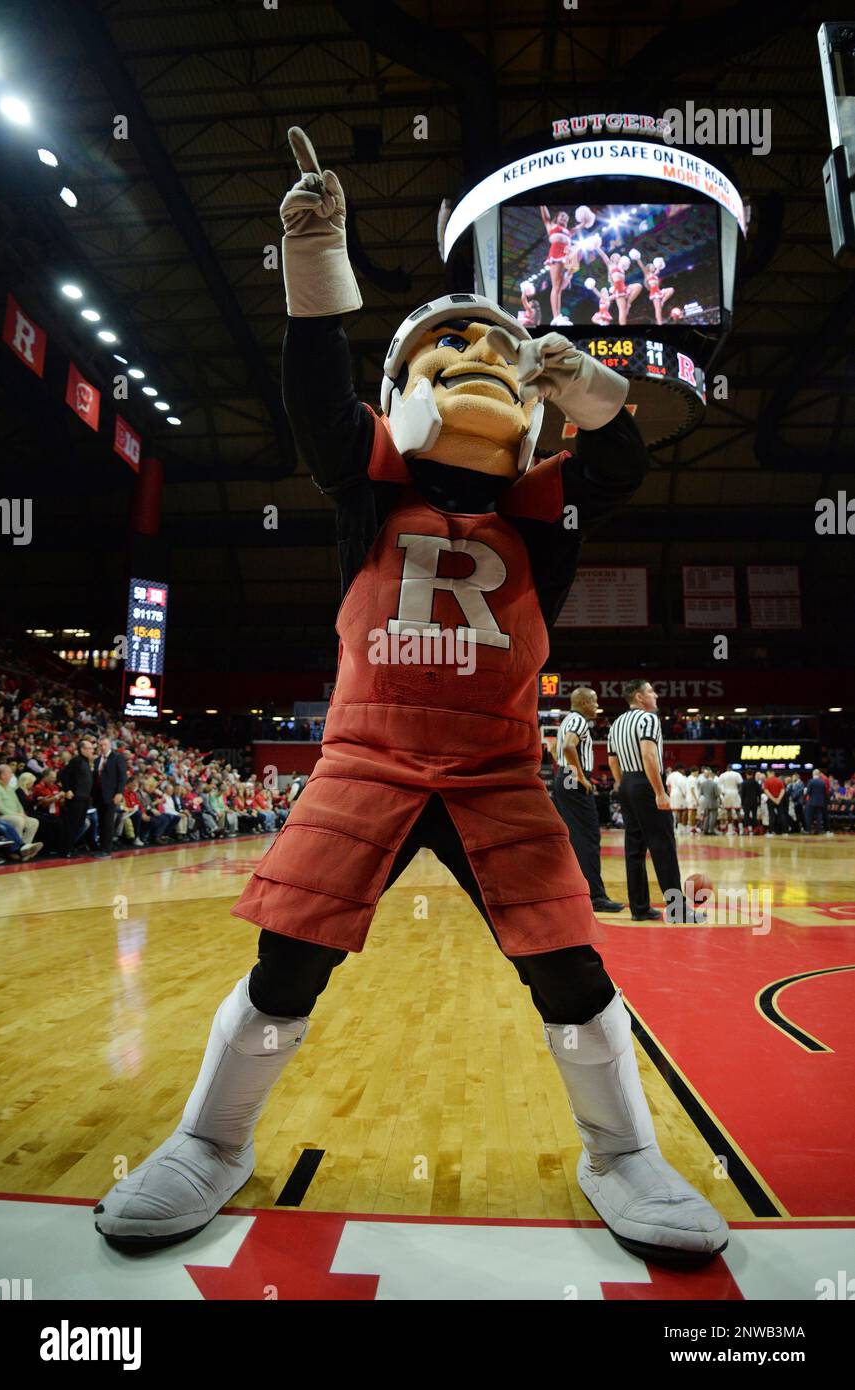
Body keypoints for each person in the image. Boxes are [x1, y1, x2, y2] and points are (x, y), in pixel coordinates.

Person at [95, 126, 726, 1268]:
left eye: (496, 351)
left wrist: (581, 379)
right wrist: (316, 258)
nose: (477, 359)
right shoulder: (365, 475)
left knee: (569, 970)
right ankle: (209, 1138)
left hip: (494, 768)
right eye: (449, 349)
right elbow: (315, 398)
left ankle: (621, 1153)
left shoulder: (545, 500)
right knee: (289, 958)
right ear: (401, 386)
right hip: (369, 759)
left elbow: (623, 461)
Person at [607, 683, 703, 923]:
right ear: (639, 697)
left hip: (627, 782)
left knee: (634, 849)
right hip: (645, 782)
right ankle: (677, 909)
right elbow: (649, 754)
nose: (656, 695)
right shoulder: (648, 719)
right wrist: (659, 791)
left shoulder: (616, 724)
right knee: (663, 846)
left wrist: (622, 785)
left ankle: (639, 908)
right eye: (651, 691)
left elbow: (612, 760)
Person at [553, 686, 623, 912]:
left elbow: (554, 749)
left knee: (576, 838)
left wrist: (566, 772)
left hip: (564, 778)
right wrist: (580, 776)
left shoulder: (566, 721)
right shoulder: (579, 721)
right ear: (583, 703)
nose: (597, 706)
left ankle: (578, 892)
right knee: (589, 838)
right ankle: (595, 897)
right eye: (594, 702)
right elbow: (567, 746)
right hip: (573, 778)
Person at [0, 763, 42, 852]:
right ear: (3, 775)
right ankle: (15, 850)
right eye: (10, 773)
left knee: (33, 822)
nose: (12, 775)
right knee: (18, 820)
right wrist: (16, 814)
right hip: (1, 816)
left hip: (15, 814)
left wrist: (22, 813)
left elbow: (17, 803)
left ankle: (26, 849)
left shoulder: (8, 786)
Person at [92, 736, 127, 856]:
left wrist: (119, 792)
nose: (102, 747)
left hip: (112, 795)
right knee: (101, 822)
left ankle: (106, 849)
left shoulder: (117, 758)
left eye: (104, 745)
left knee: (108, 823)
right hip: (99, 796)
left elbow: (122, 777)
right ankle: (102, 846)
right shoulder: (97, 760)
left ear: (110, 745)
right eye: (100, 745)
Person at [59, 738, 94, 855]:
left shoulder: (86, 762)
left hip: (84, 798)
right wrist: (67, 789)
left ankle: (71, 848)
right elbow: (62, 774)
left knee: (79, 824)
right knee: (72, 825)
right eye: (90, 748)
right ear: (82, 749)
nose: (92, 751)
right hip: (76, 798)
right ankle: (65, 850)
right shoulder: (76, 761)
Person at [717, 764, 743, 834]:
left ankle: (730, 830)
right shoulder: (737, 774)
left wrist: (722, 793)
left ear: (727, 768)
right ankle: (741, 830)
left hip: (727, 793)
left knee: (728, 811)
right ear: (732, 768)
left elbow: (719, 786)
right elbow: (741, 785)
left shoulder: (723, 775)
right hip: (735, 792)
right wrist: (738, 792)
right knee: (738, 811)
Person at [762, 768, 787, 836]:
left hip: (771, 800)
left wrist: (773, 799)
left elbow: (766, 791)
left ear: (771, 773)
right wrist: (778, 799)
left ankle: (771, 832)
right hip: (779, 800)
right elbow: (783, 790)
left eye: (767, 774)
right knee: (781, 815)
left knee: (771, 815)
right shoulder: (779, 780)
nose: (767, 775)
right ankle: (784, 831)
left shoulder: (767, 781)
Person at [805, 769, 829, 834]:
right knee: (819, 817)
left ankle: (809, 830)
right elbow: (825, 793)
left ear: (813, 774)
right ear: (818, 774)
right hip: (820, 802)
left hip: (812, 802)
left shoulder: (811, 781)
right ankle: (819, 831)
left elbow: (808, 792)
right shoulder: (822, 782)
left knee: (809, 816)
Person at [697, 768, 720, 835]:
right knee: (713, 817)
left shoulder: (703, 783)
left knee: (706, 817)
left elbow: (701, 793)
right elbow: (717, 794)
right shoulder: (714, 784)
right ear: (712, 776)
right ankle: (711, 830)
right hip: (713, 802)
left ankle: (705, 830)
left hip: (705, 802)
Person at [666, 763, 687, 829]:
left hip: (672, 794)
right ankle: (680, 827)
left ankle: (673, 826)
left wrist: (669, 794)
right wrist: (684, 793)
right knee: (681, 811)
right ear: (680, 769)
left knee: (673, 811)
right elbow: (682, 785)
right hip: (679, 794)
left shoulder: (670, 775)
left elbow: (668, 785)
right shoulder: (680, 776)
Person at [740, 768, 761, 835]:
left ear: (746, 774)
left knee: (746, 815)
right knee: (754, 816)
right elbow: (759, 793)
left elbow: (742, 794)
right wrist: (759, 802)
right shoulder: (756, 783)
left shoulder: (744, 783)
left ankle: (746, 830)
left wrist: (742, 803)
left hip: (746, 802)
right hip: (754, 802)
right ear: (752, 774)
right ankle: (755, 830)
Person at [685, 766, 701, 833]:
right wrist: (696, 799)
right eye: (698, 772)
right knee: (691, 812)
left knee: (693, 812)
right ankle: (691, 827)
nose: (698, 774)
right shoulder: (692, 779)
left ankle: (693, 827)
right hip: (692, 798)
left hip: (690, 797)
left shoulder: (689, 778)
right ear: (695, 771)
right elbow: (692, 790)